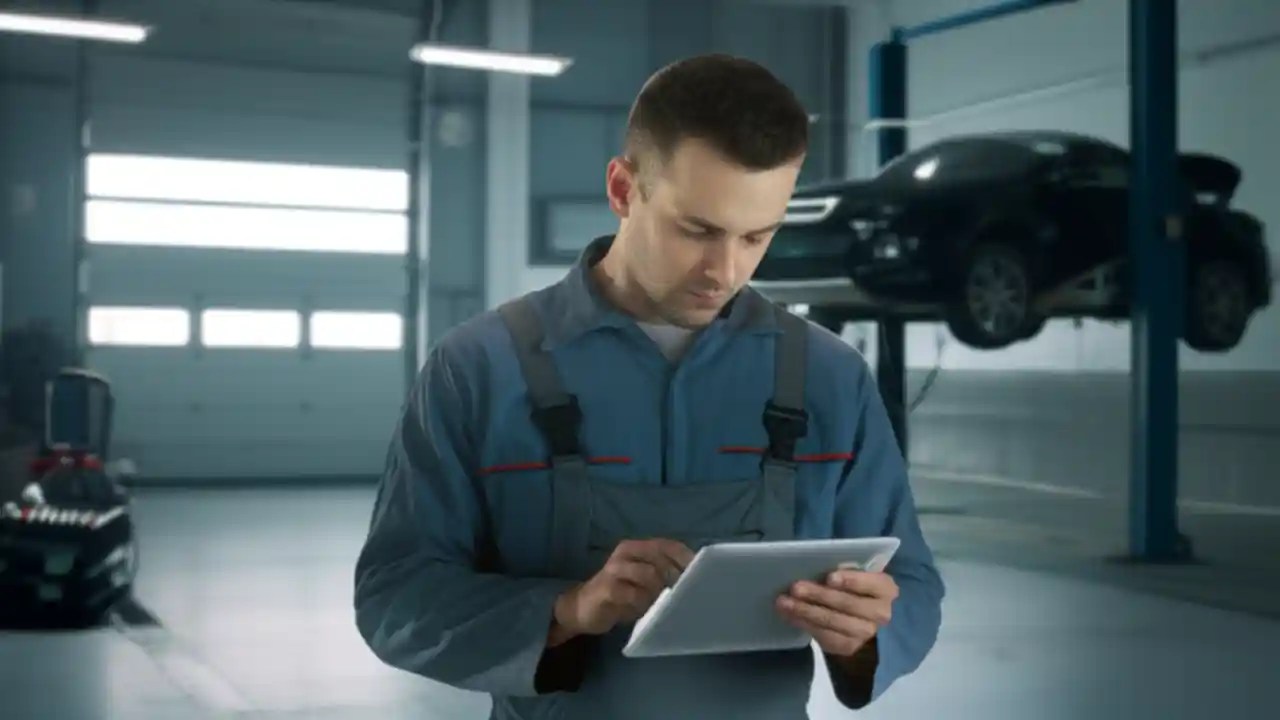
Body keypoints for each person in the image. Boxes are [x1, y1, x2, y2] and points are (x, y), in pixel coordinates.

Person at [354, 53, 944, 719]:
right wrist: (566, 611)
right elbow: (395, 595)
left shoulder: (830, 378)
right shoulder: (479, 369)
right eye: (697, 230)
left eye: (757, 236)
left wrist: (866, 630)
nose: (724, 271)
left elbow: (913, 583)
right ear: (622, 189)